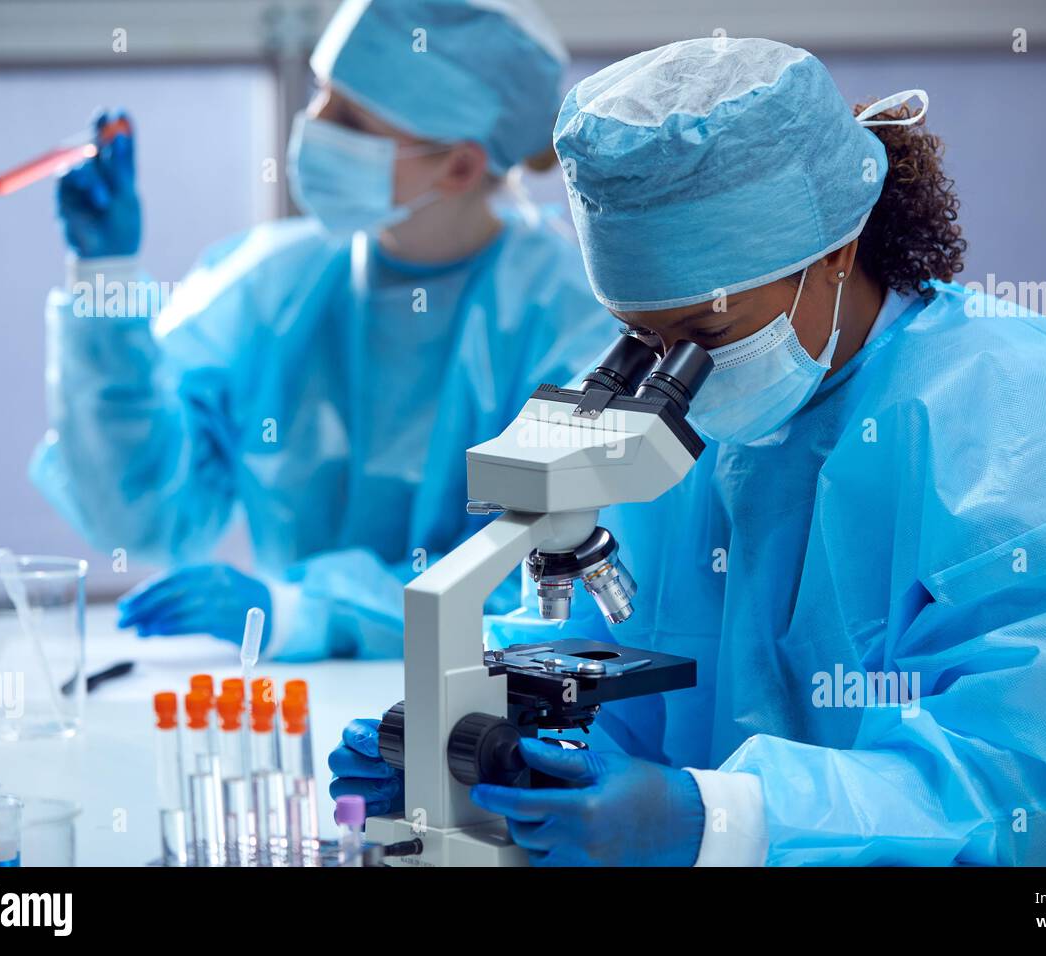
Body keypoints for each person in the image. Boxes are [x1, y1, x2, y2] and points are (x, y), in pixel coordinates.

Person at [330, 38, 1046, 866]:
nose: (671, 375)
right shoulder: (657, 424)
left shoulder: (1029, 426)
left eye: (706, 331)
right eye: (640, 335)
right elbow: (586, 658)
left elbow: (1024, 795)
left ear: (838, 252)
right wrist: (490, 757)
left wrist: (718, 820)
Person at [31, 0, 615, 659]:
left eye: (351, 120)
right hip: (300, 697)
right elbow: (138, 508)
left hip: (485, 708)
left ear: (458, 166)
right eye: (319, 95)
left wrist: (307, 613)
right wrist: (104, 276)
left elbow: (547, 585)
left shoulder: (571, 319)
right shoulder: (273, 284)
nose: (312, 127)